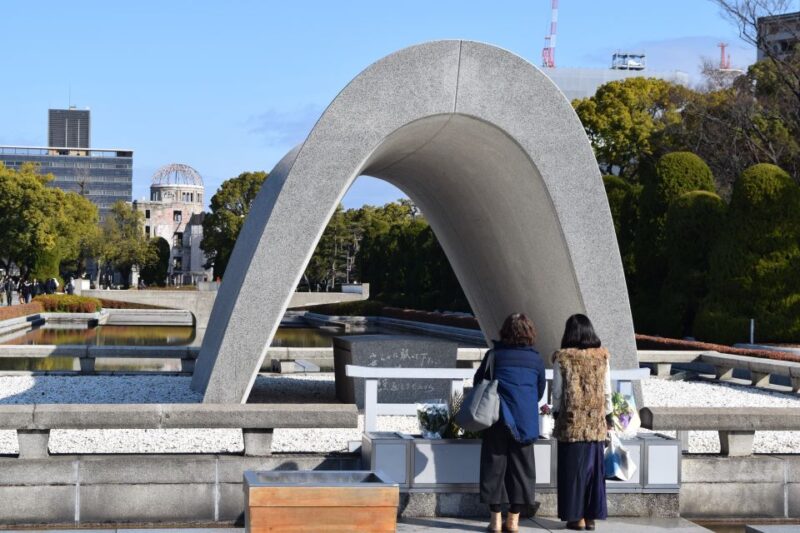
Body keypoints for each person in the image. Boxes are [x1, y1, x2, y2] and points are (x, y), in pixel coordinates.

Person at [475, 313, 546, 532]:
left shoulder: (494, 355)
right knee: (522, 470)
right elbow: (540, 390)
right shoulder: (536, 359)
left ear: (505, 331)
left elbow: (479, 383)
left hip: (496, 418)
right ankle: (513, 519)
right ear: (529, 333)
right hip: (524, 421)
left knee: (493, 468)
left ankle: (496, 520)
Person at [552, 314, 613, 531]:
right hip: (595, 425)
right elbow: (607, 391)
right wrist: (609, 417)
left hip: (571, 424)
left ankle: (575, 517)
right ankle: (591, 518)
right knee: (593, 473)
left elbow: (557, 393)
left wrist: (555, 413)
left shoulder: (562, 358)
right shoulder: (602, 357)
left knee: (572, 473)